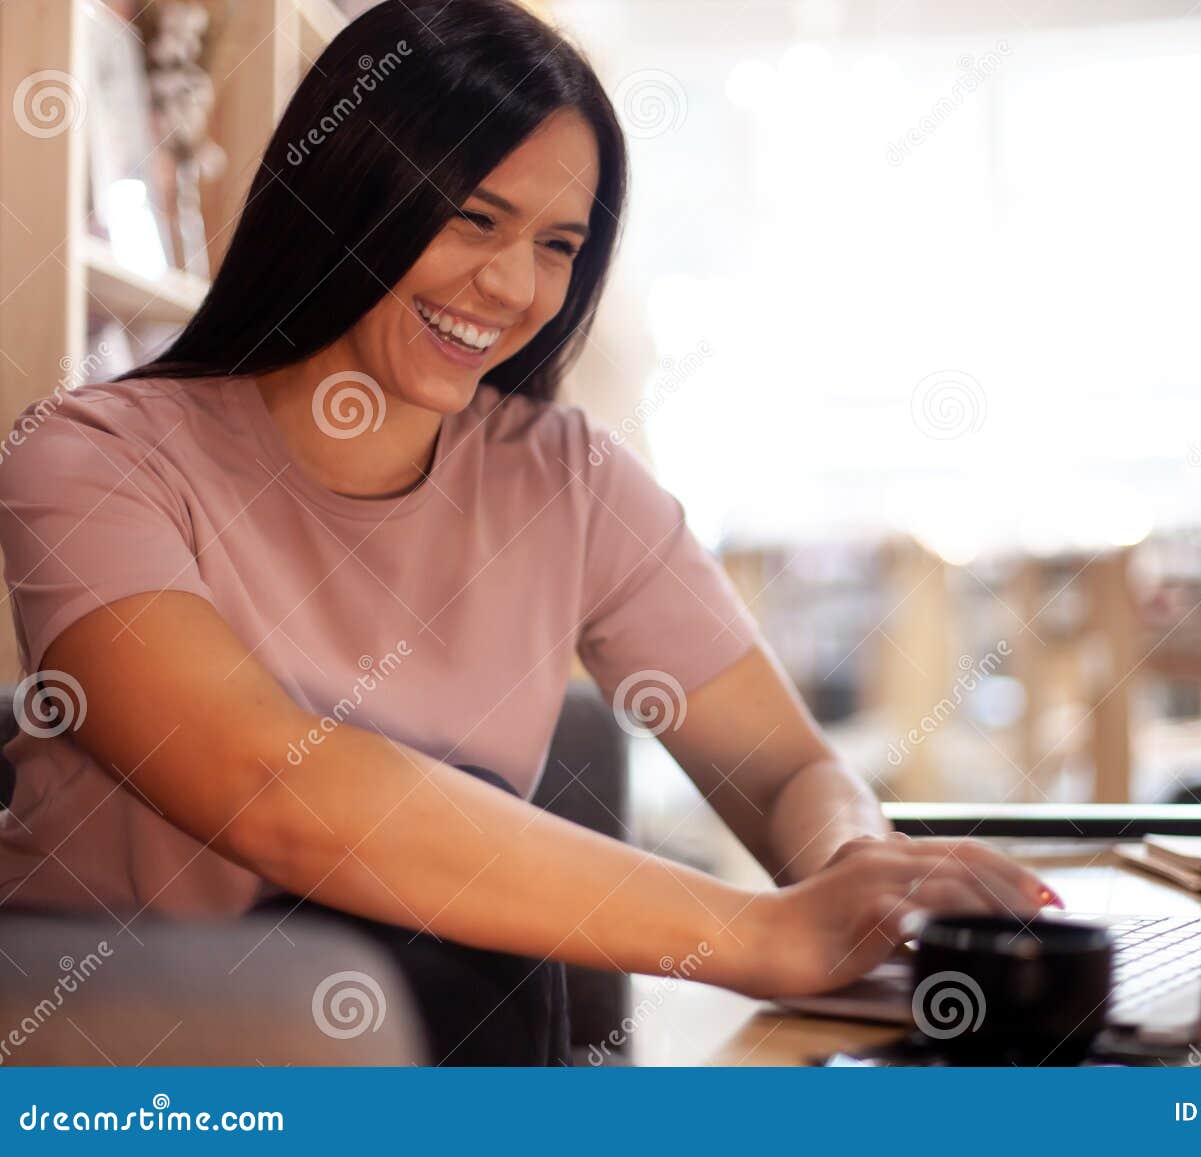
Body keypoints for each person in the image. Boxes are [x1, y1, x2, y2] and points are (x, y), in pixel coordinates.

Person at [0, 0, 1058, 1065]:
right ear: (350, 190)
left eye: (557, 244)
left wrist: (857, 870)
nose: (512, 287)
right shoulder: (93, 458)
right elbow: (269, 785)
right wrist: (754, 933)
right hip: (147, 1027)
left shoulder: (569, 478)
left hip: (456, 1020)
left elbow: (784, 768)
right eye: (473, 218)